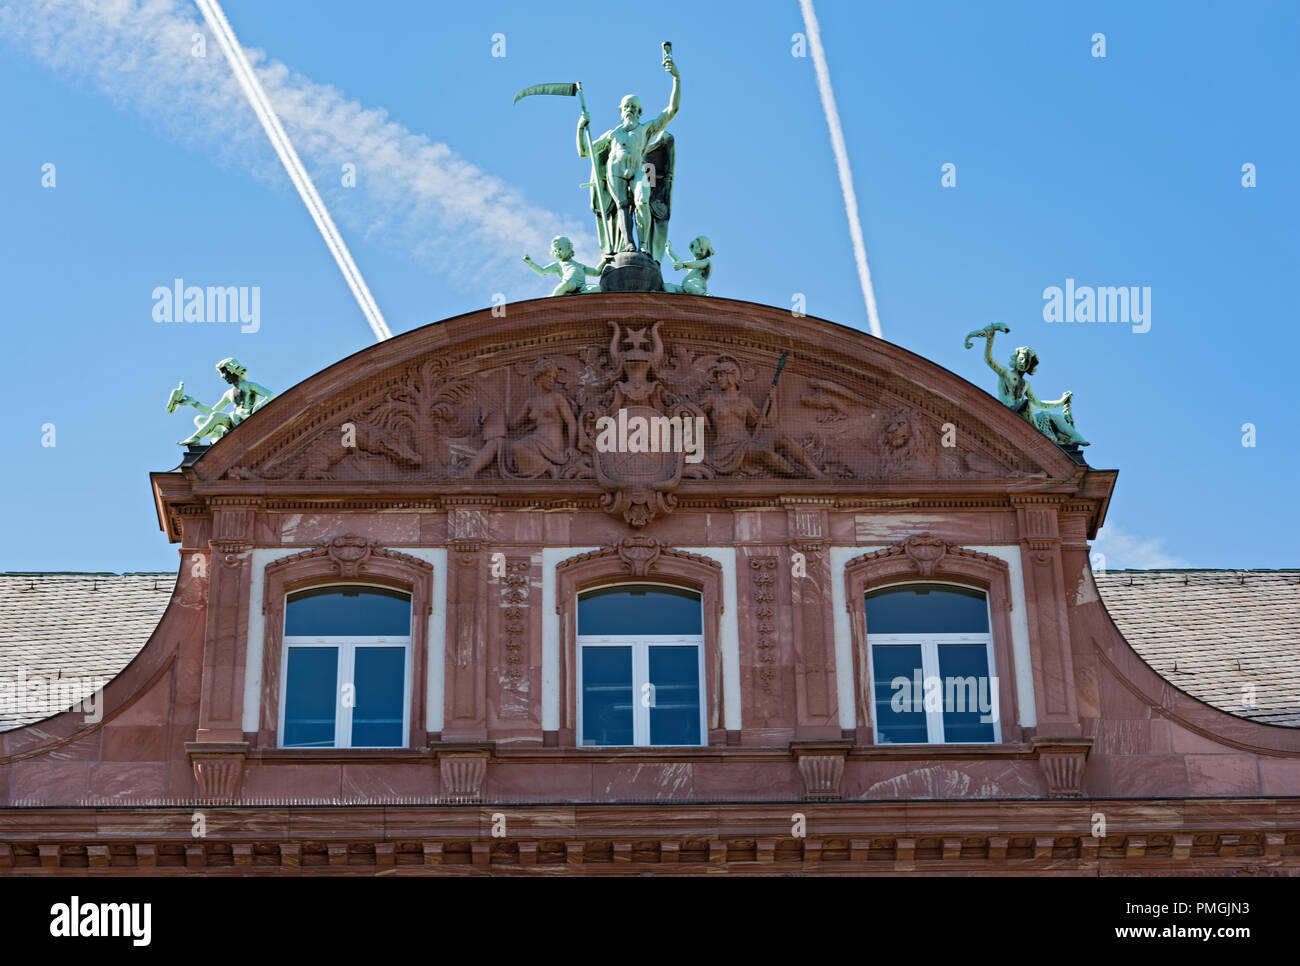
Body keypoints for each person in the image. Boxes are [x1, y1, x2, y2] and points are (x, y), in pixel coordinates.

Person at [577, 54, 680, 254]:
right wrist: (581, 127)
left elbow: (672, 109)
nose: (630, 110)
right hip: (614, 170)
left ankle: (644, 245)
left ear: (640, 111)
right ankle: (628, 243)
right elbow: (583, 152)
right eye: (626, 107)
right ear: (620, 110)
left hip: (639, 169)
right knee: (622, 206)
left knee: (642, 200)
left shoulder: (646, 129)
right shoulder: (612, 134)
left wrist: (676, 79)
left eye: (634, 107)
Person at [172, 358, 274, 445]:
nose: (222, 376)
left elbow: (271, 395)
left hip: (248, 420)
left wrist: (258, 408)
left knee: (217, 417)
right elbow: (213, 411)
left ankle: (196, 438)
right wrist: (194, 403)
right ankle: (216, 440)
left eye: (223, 372)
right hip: (234, 421)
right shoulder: (229, 393)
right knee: (199, 419)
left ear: (231, 369)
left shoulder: (250, 385)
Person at [522, 236, 600, 296]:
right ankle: (553, 299)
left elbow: (596, 272)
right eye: (555, 251)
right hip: (570, 284)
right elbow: (542, 271)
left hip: (582, 286)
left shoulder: (580, 266)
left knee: (597, 289)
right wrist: (530, 263)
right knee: (565, 284)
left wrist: (604, 261)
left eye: (559, 249)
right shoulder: (558, 265)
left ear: (569, 248)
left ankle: (577, 297)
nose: (557, 252)